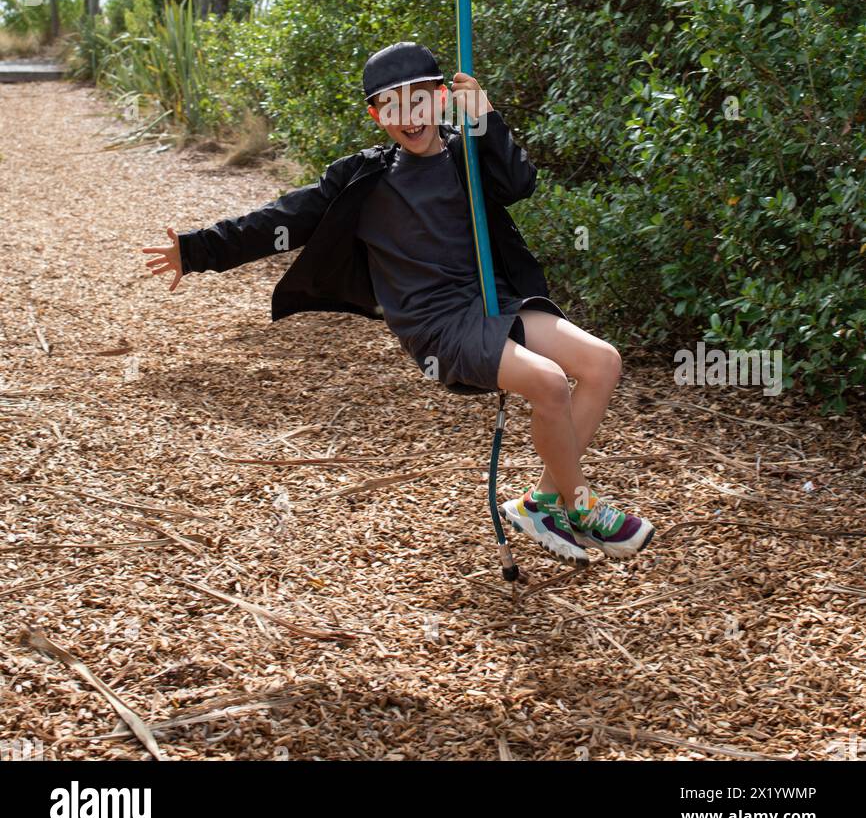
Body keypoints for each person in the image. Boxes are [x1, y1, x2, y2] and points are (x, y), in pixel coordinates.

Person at [142, 41, 654, 567]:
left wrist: (484, 117)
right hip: (438, 323)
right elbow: (277, 220)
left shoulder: (465, 152)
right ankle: (582, 504)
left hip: (495, 301)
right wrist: (195, 250)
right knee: (547, 382)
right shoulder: (363, 179)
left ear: (441, 99)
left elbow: (518, 183)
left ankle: (542, 502)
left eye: (420, 100)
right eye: (392, 106)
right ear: (376, 115)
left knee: (602, 363)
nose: (410, 116)